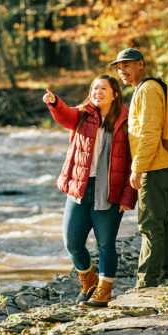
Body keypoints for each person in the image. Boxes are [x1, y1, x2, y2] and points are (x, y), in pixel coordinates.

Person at [44, 75, 136, 308]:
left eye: (104, 88)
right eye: (95, 88)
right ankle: (89, 280)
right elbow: (65, 115)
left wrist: (128, 195)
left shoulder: (127, 120)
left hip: (109, 190)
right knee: (72, 241)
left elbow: (131, 162)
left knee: (106, 244)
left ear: (115, 94)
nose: (98, 92)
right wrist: (55, 102)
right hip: (80, 186)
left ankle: (104, 291)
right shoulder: (83, 114)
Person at [109, 48, 168, 289]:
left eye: (127, 66)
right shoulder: (147, 88)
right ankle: (167, 274)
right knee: (161, 222)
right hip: (163, 163)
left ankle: (146, 282)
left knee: (149, 225)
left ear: (141, 65)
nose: (122, 71)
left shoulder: (148, 90)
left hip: (155, 166)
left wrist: (137, 168)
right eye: (119, 68)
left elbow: (149, 132)